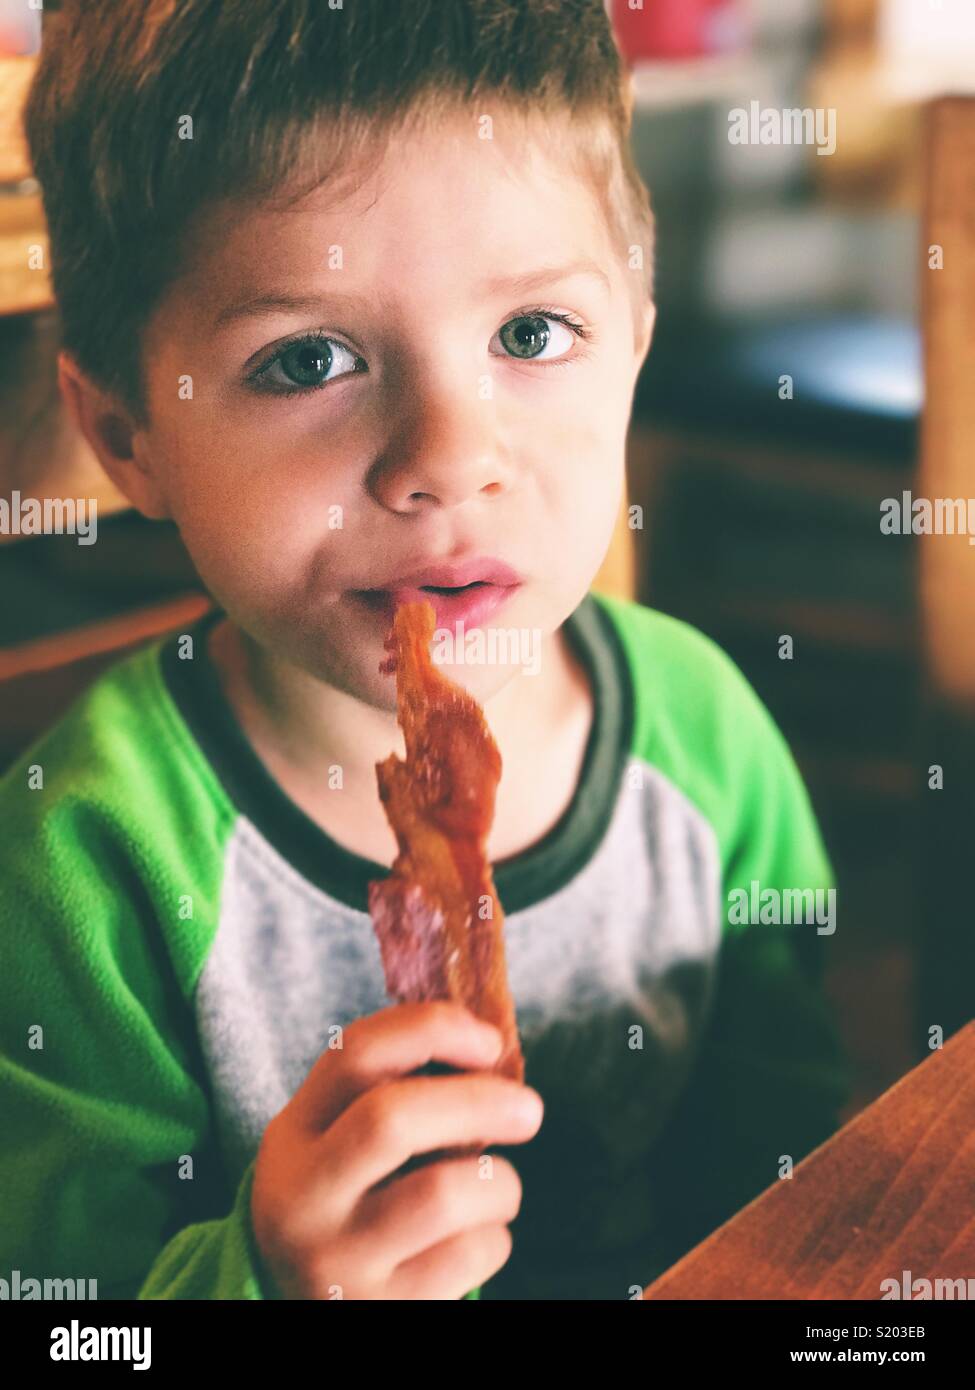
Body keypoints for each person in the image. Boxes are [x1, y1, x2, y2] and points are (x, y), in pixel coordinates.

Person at [0, 0, 851, 1300]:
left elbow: (798, 1177)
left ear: (635, 338)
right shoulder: (83, 869)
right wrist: (265, 1277)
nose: (451, 455)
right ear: (126, 438)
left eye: (530, 334)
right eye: (309, 359)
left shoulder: (706, 732)